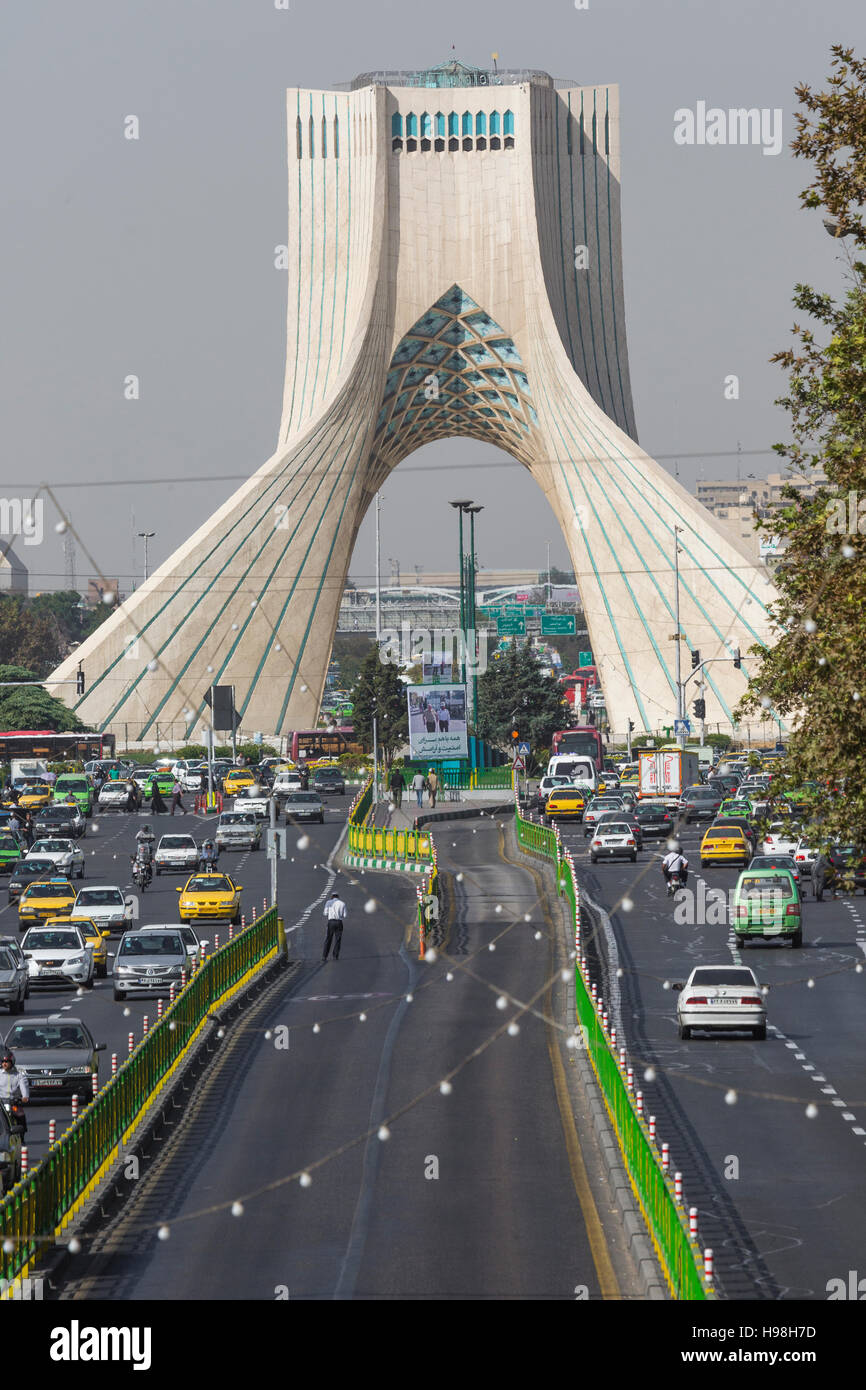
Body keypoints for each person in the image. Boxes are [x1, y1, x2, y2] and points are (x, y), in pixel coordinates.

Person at [322, 892, 347, 961]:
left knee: (328, 939)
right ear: (338, 897)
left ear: (332, 897)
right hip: (339, 922)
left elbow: (325, 913)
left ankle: (324, 956)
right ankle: (335, 956)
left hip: (331, 922)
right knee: (337, 940)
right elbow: (345, 915)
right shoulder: (342, 903)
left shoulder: (328, 902)